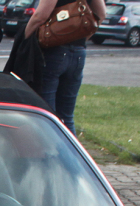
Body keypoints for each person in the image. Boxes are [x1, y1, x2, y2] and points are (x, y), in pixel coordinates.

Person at [23, 0, 105, 133]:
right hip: (78, 52)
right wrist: (80, 37)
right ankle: (69, 152)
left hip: (53, 50)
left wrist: (24, 39)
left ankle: (48, 152)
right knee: (67, 116)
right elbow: (101, 14)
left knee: (47, 114)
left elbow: (41, 16)